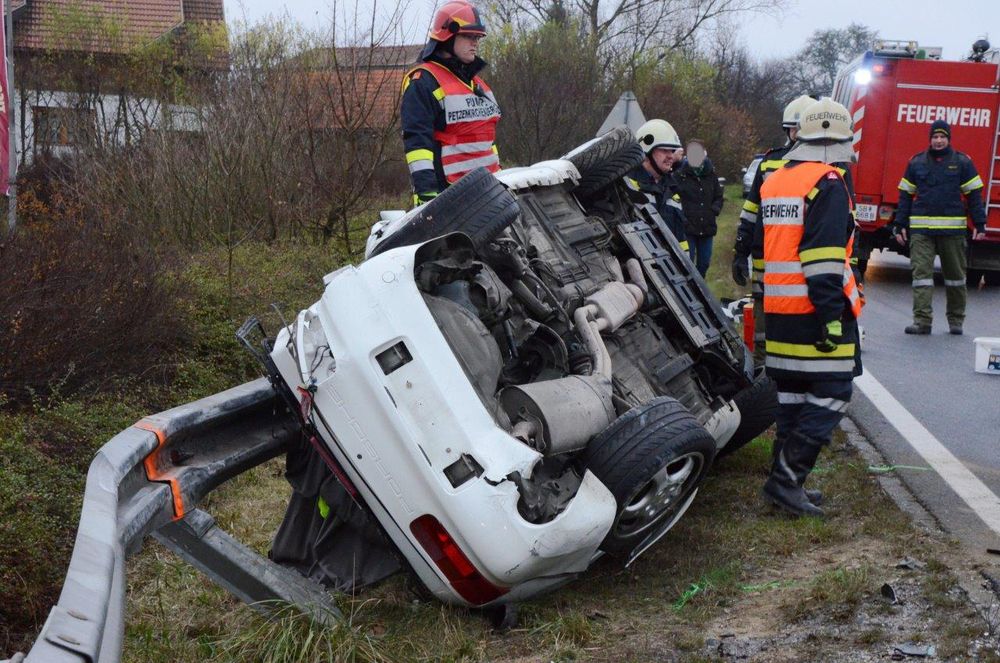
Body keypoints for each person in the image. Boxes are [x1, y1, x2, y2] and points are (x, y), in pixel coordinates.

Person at [758, 98, 863, 518]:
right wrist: (831, 319)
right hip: (815, 312)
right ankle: (786, 480)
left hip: (780, 310)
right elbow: (822, 260)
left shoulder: (778, 180)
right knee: (834, 393)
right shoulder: (828, 183)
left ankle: (784, 484)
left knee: (793, 398)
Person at [733, 94, 815, 363]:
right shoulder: (769, 163)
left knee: (799, 320)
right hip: (765, 257)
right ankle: (761, 377)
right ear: (788, 130)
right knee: (762, 324)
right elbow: (751, 210)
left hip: (803, 260)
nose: (799, 134)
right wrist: (739, 250)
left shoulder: (826, 166)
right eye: (795, 128)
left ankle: (792, 371)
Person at [400, 0, 501, 206]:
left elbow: (487, 140)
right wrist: (427, 196)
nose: (475, 43)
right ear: (447, 36)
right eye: (468, 36)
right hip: (449, 195)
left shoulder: (479, 85)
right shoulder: (423, 82)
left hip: (491, 191)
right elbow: (418, 144)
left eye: (477, 37)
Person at [893, 119, 986, 335]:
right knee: (922, 276)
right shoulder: (916, 163)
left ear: (948, 139)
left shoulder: (962, 163)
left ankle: (956, 321)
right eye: (935, 137)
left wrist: (979, 224)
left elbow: (974, 196)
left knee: (955, 278)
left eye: (942, 137)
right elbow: (905, 196)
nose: (938, 141)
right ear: (930, 139)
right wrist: (899, 224)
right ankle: (922, 321)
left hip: (952, 233)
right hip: (921, 231)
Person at [627, 119, 689, 252]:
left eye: (672, 151)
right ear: (646, 151)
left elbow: (681, 241)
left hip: (670, 271)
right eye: (665, 150)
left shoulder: (673, 191)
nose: (671, 156)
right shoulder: (628, 188)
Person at [675, 138, 724, 276]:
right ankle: (689, 291)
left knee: (704, 263)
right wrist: (682, 217)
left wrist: (714, 210)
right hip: (687, 228)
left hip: (707, 227)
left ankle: (700, 289)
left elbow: (718, 196)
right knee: (687, 263)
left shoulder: (711, 174)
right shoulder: (680, 175)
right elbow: (672, 197)